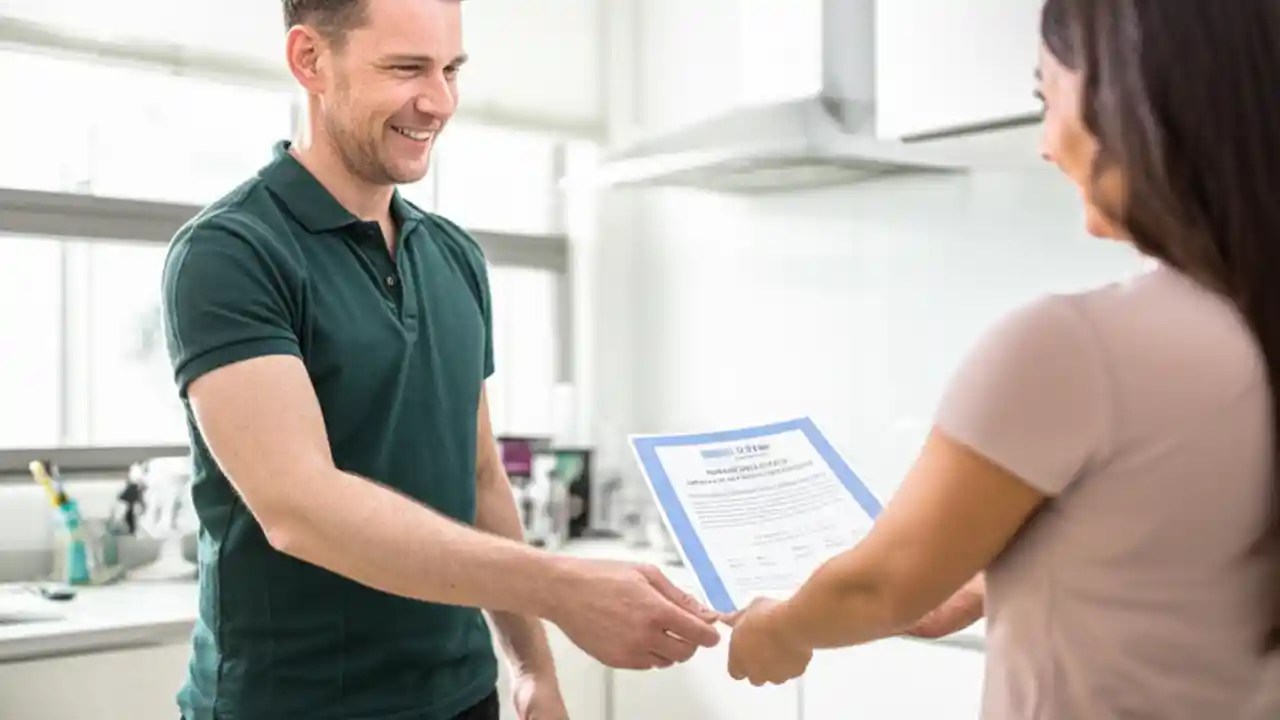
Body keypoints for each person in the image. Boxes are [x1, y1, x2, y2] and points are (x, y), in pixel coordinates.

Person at [160, 1, 720, 719]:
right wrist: (561, 585)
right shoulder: (230, 253)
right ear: (310, 60)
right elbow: (300, 508)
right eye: (405, 69)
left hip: (460, 698)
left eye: (451, 69)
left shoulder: (453, 255)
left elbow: (481, 476)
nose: (440, 102)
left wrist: (530, 666)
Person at [722, 0, 1280, 718]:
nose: (1046, 143)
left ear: (1125, 95)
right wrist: (990, 571)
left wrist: (783, 628)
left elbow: (882, 581)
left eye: (1046, 96)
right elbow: (1182, 535)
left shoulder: (1072, 347)